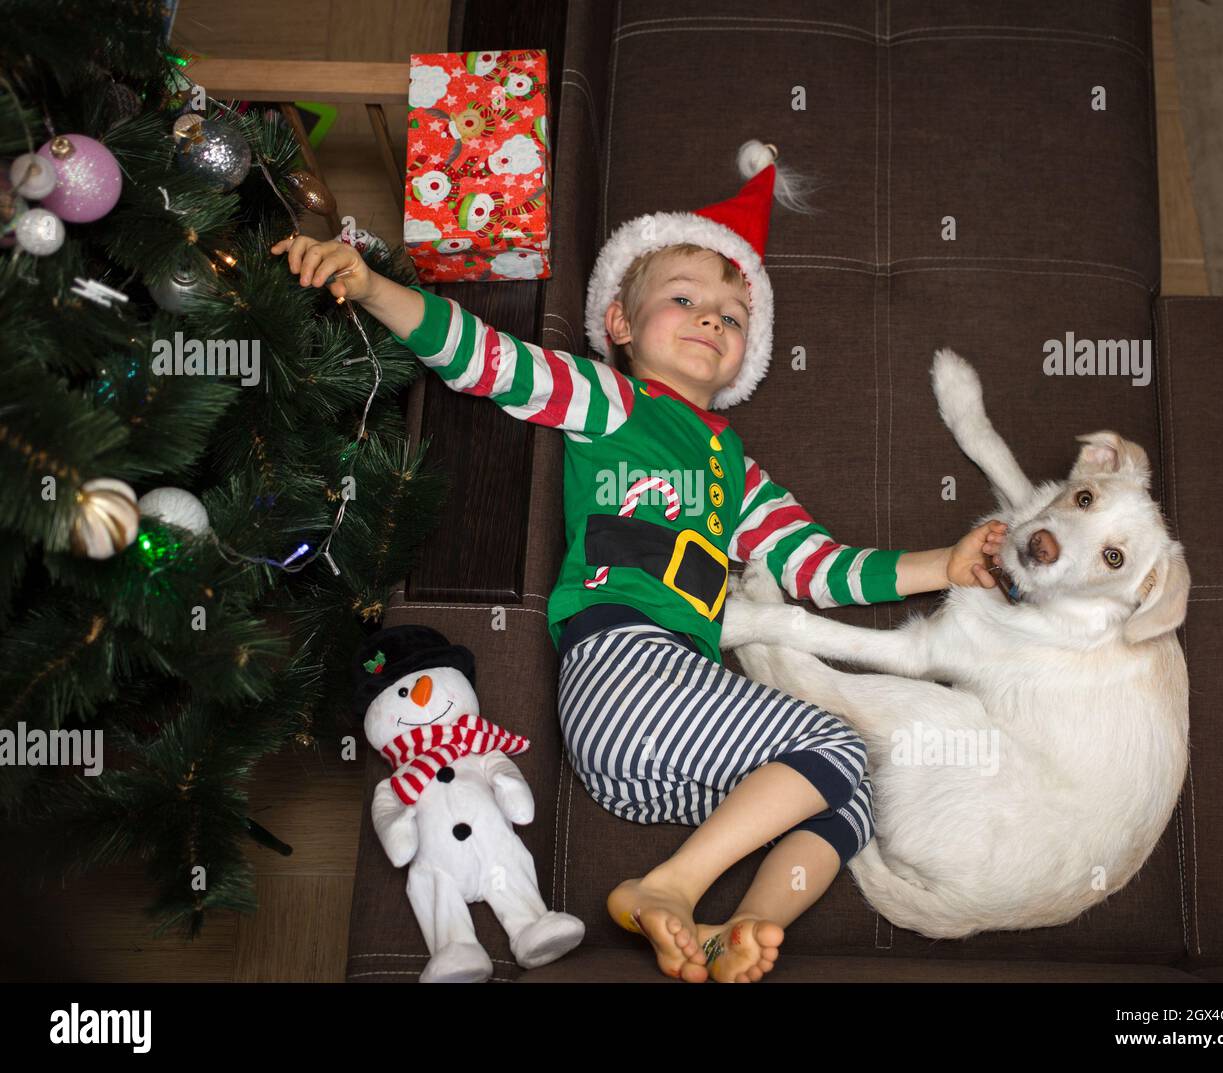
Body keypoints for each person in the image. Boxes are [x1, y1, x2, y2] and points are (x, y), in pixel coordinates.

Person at [271, 140, 1008, 983]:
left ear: (744, 357)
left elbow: (820, 567)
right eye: (686, 297)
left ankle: (747, 924)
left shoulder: (739, 470)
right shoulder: (613, 401)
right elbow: (483, 359)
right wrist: (370, 287)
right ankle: (668, 885)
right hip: (625, 670)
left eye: (733, 317)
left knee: (848, 792)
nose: (712, 319)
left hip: (649, 764)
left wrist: (941, 566)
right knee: (838, 745)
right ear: (620, 324)